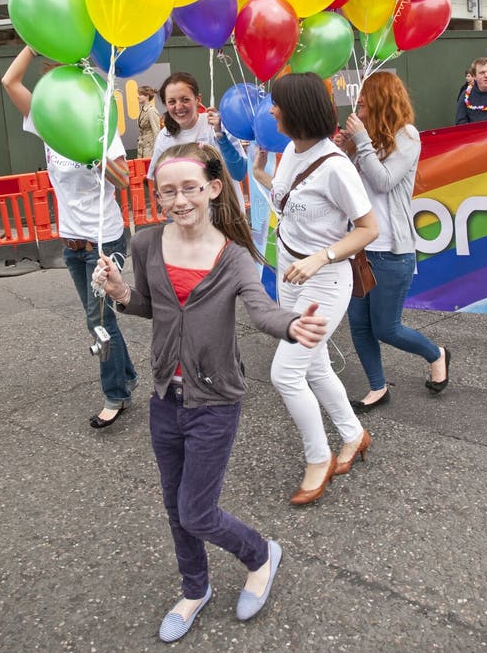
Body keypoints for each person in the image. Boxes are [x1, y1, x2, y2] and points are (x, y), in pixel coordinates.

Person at [92, 142, 328, 642]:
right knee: (174, 506)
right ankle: (194, 589)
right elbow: (147, 305)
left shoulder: (235, 257)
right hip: (164, 399)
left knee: (196, 510)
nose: (179, 200)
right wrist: (118, 294)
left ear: (213, 189)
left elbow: (262, 310)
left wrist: (291, 325)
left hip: (215, 402)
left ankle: (260, 554)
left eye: (190, 188)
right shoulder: (147, 245)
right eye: (168, 191)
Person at [252, 72, 379, 506]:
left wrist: (320, 257)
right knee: (313, 366)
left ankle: (317, 457)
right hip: (291, 274)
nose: (271, 111)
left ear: (297, 111)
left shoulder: (337, 167)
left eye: (277, 104)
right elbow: (290, 199)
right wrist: (259, 175)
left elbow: (368, 229)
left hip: (324, 280)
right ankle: (353, 433)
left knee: (284, 373)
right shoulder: (289, 150)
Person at [1, 46, 138, 428]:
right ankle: (126, 378)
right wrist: (32, 44)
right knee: (98, 316)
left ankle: (115, 396)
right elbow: (8, 81)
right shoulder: (48, 123)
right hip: (72, 244)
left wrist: (96, 156)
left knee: (99, 320)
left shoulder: (99, 127)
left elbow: (124, 180)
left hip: (105, 241)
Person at [337, 71, 451, 412]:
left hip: (391, 251)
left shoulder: (408, 136)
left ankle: (437, 354)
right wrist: (343, 150)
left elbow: (384, 181)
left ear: (380, 99)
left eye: (364, 99)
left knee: (386, 328)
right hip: (359, 247)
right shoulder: (365, 140)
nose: (358, 105)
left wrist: (360, 142)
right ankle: (377, 387)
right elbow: (350, 188)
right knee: (358, 325)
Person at [147, 72, 247, 184]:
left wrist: (220, 136)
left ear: (198, 99)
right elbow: (156, 180)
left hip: (225, 201)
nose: (179, 107)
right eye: (172, 102)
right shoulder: (164, 137)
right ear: (166, 104)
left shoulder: (218, 126)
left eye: (185, 100)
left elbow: (239, 173)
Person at [456, 57, 487, 123]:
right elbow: (460, 123)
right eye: (482, 73)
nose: (486, 75)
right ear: (474, 76)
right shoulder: (466, 95)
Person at [136, 86, 161, 159]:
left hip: (150, 150)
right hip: (142, 149)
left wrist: (156, 151)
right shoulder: (142, 111)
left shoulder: (151, 111)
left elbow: (156, 132)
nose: (138, 96)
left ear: (147, 96)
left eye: (140, 95)